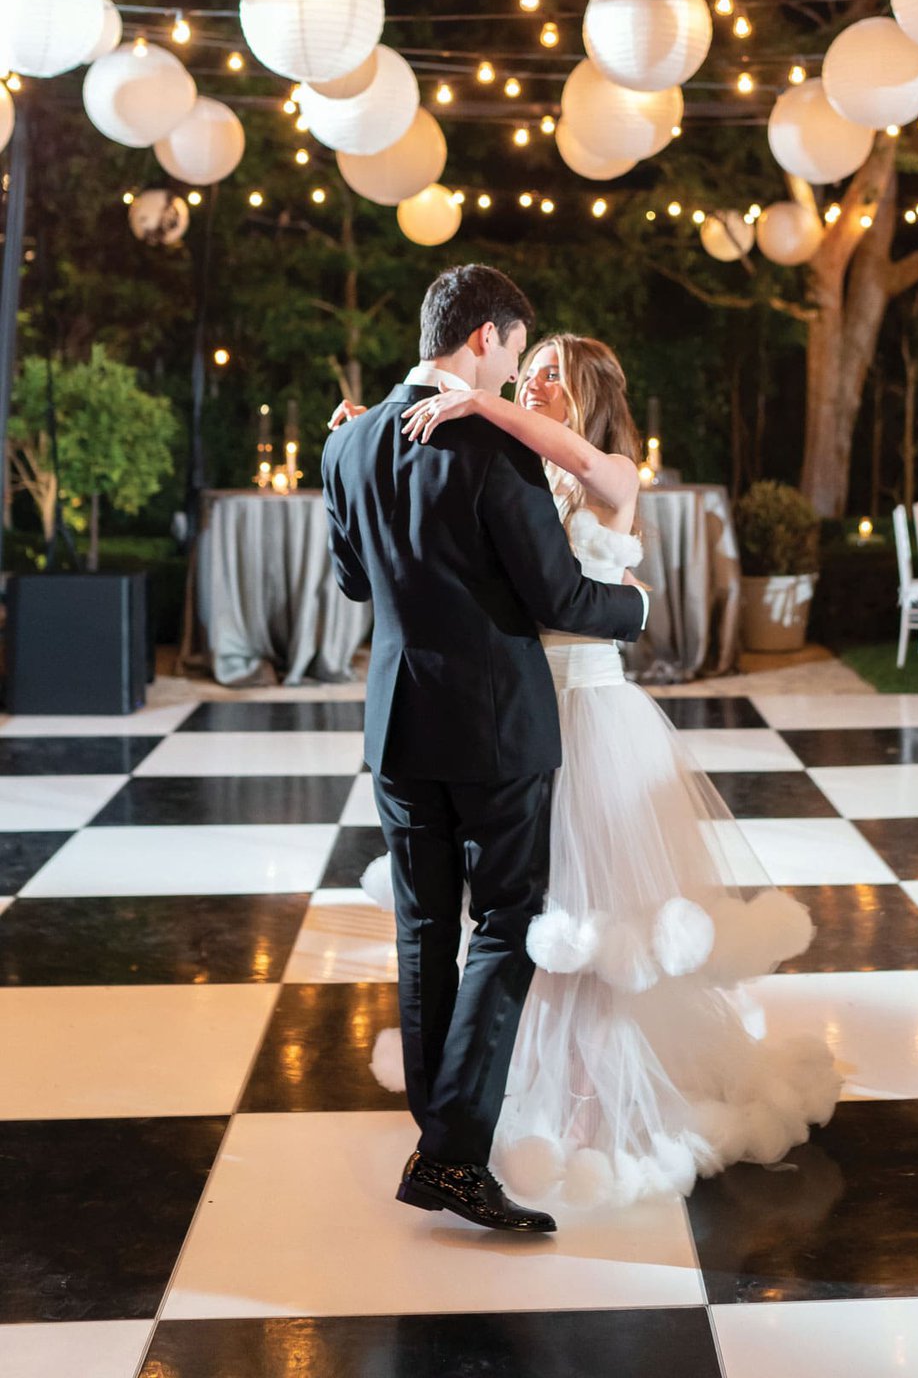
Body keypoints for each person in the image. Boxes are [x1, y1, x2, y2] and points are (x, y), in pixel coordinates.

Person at [337, 331, 840, 1211]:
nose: (534, 392)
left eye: (552, 384)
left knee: (594, 919)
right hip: (517, 715)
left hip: (594, 720)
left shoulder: (609, 473)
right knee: (527, 915)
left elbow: (586, 501)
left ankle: (594, 1095)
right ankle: (499, 1099)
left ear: (592, 398)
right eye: (525, 377)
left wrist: (479, 400)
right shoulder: (516, 473)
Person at [320, 266, 647, 1236]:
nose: (510, 372)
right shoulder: (484, 440)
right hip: (497, 729)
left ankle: (442, 1136)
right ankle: (455, 1157)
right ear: (482, 341)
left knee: (424, 931)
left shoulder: (351, 441)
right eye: (511, 351)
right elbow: (555, 597)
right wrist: (630, 609)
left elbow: (351, 580)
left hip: (398, 726)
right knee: (505, 924)